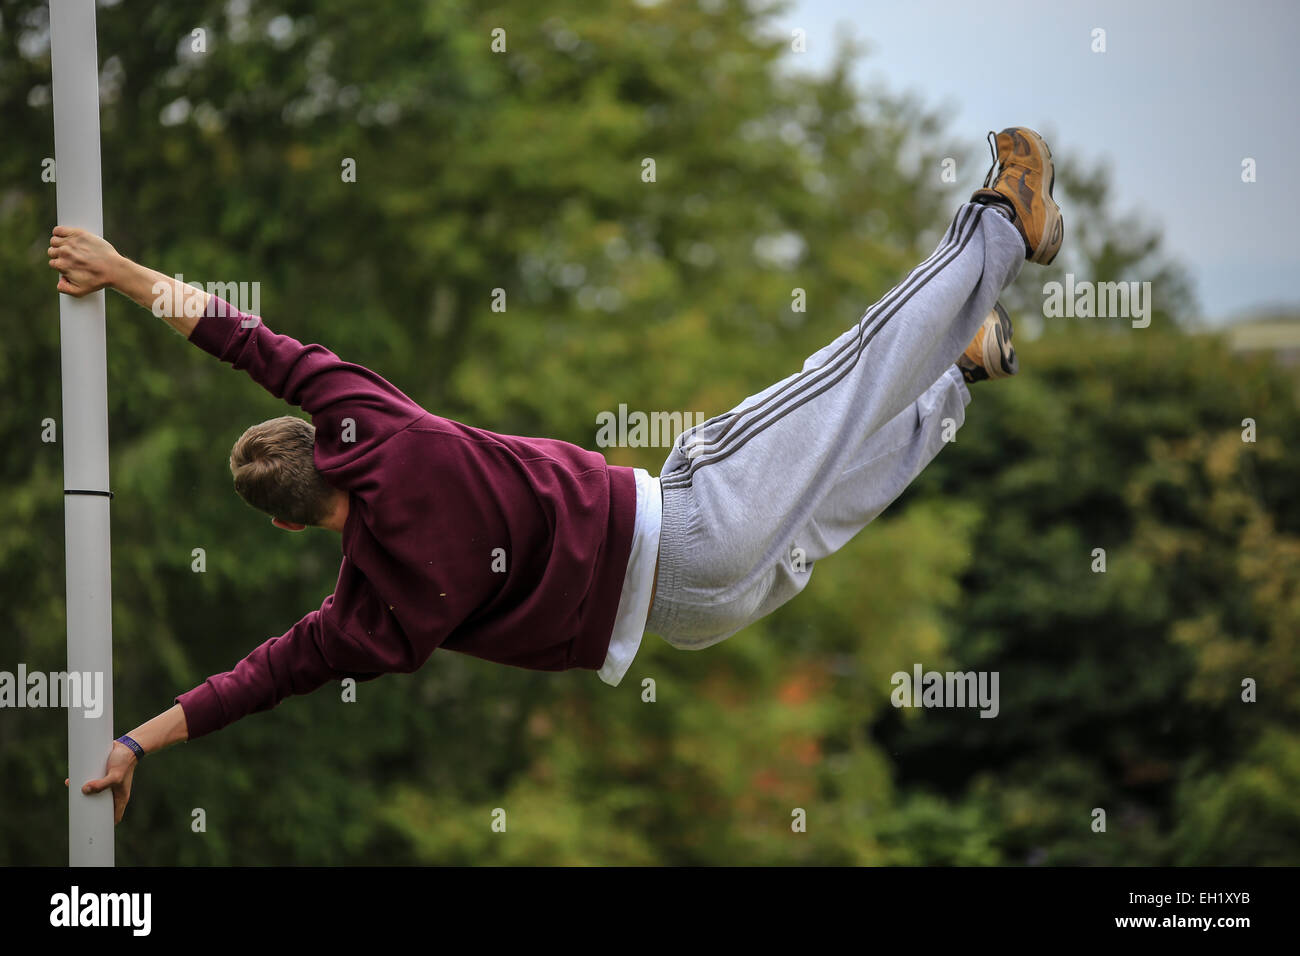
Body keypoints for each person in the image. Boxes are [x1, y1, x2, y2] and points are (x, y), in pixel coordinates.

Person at [53, 127, 1062, 824]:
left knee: (828, 491)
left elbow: (261, 675)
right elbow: (240, 333)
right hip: (688, 525)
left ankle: (959, 372)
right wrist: (119, 269)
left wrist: (140, 741)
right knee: (834, 387)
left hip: (690, 619)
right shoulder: (376, 429)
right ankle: (1001, 228)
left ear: (289, 525)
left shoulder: (365, 616)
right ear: (325, 437)